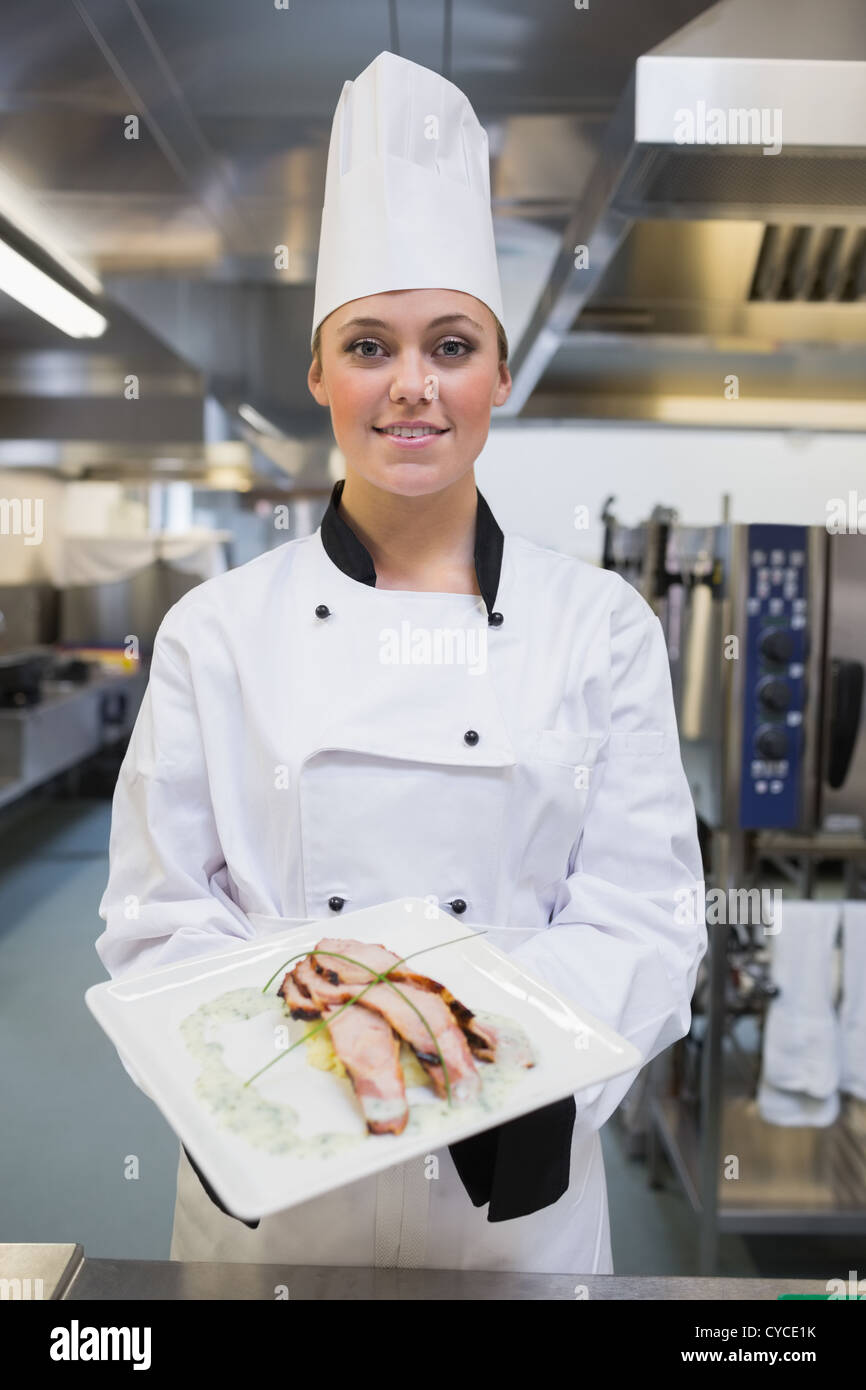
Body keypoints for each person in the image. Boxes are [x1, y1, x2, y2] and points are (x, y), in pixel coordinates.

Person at [96, 50, 707, 1273]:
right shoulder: (217, 632)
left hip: (510, 1206)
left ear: (498, 376)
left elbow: (643, 911)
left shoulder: (600, 628)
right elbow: (156, 916)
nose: (411, 387)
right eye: (369, 346)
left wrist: (518, 1083)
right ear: (318, 373)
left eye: (451, 344)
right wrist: (255, 1087)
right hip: (272, 1194)